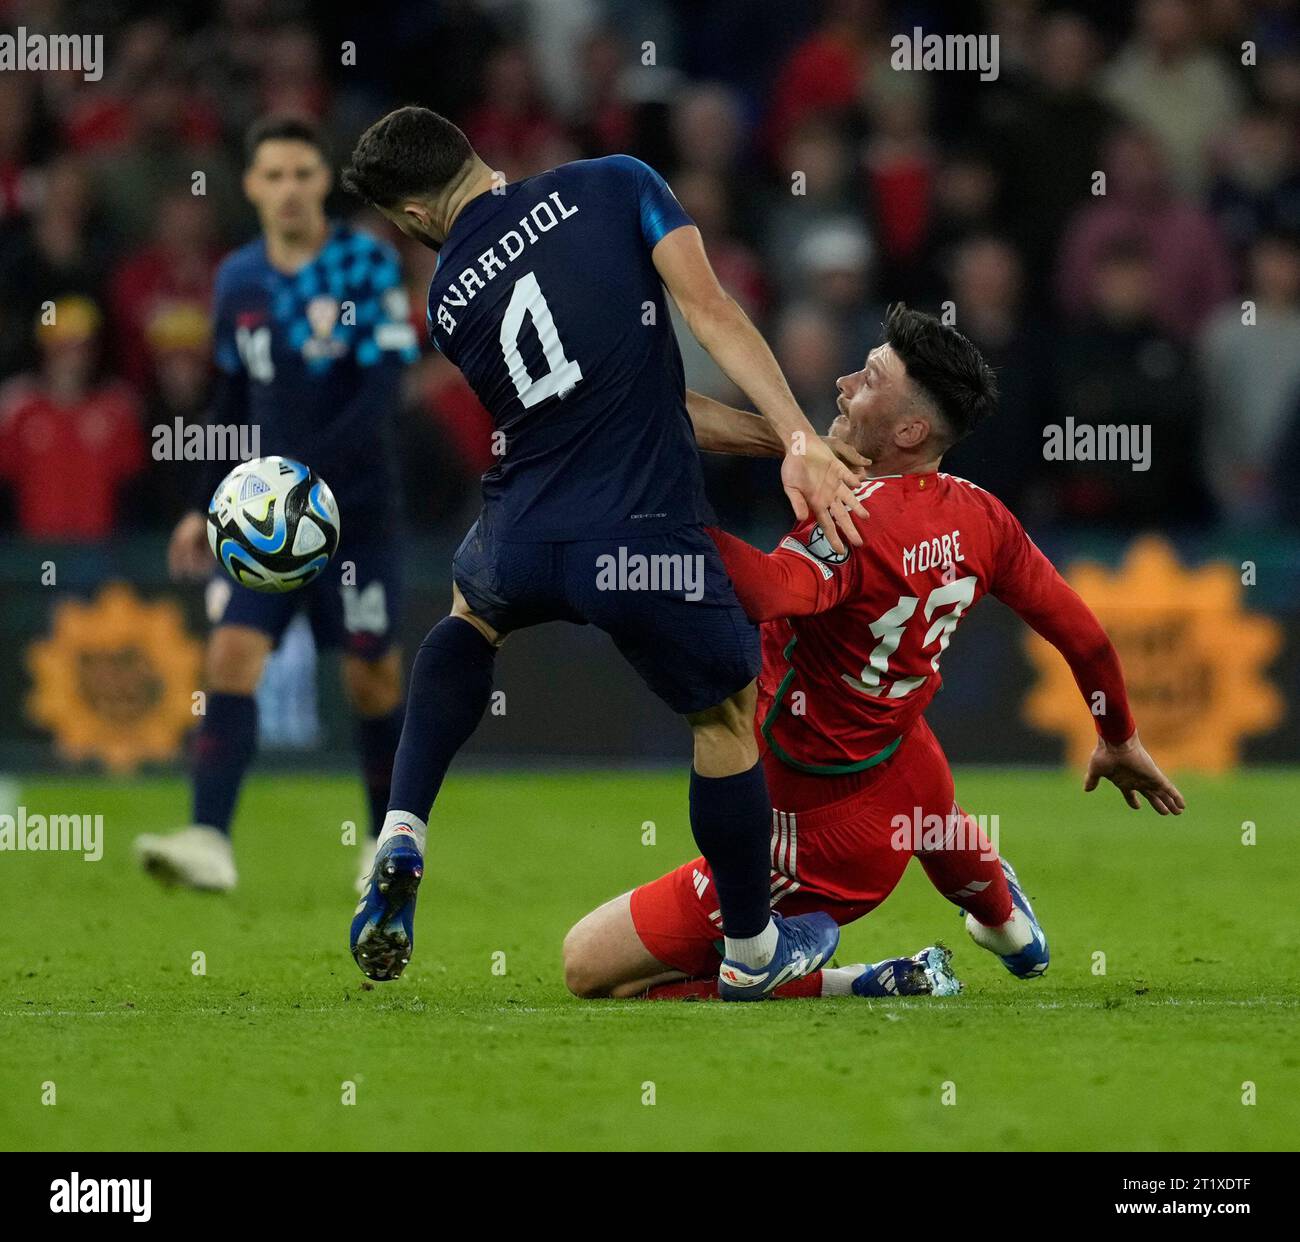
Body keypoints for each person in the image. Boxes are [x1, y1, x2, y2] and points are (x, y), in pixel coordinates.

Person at [339, 105, 866, 998]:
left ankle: (401, 825)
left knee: (469, 619)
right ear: (472, 151)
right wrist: (800, 435)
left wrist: (791, 443)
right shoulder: (616, 183)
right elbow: (710, 311)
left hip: (525, 533)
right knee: (726, 718)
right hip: (641, 538)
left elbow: (636, 408)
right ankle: (749, 950)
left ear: (413, 218)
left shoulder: (449, 301)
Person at [563, 305, 1185, 1001]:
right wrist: (1118, 737)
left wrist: (656, 524)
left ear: (910, 429)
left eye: (869, 378)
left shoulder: (851, 520)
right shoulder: (980, 513)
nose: (842, 380)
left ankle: (872, 980)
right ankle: (1010, 927)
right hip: (905, 762)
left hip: (817, 833)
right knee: (933, 811)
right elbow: (1086, 638)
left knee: (589, 969)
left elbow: (767, 593)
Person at [135, 116, 418, 891]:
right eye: (275, 175)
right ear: (253, 186)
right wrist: (203, 504)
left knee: (372, 678)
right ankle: (209, 839)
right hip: (265, 526)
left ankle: (382, 842)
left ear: (323, 182)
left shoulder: (364, 263)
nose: (290, 188)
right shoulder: (239, 279)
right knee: (230, 655)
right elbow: (233, 399)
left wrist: (295, 479)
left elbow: (380, 395)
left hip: (352, 518)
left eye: (303, 173)